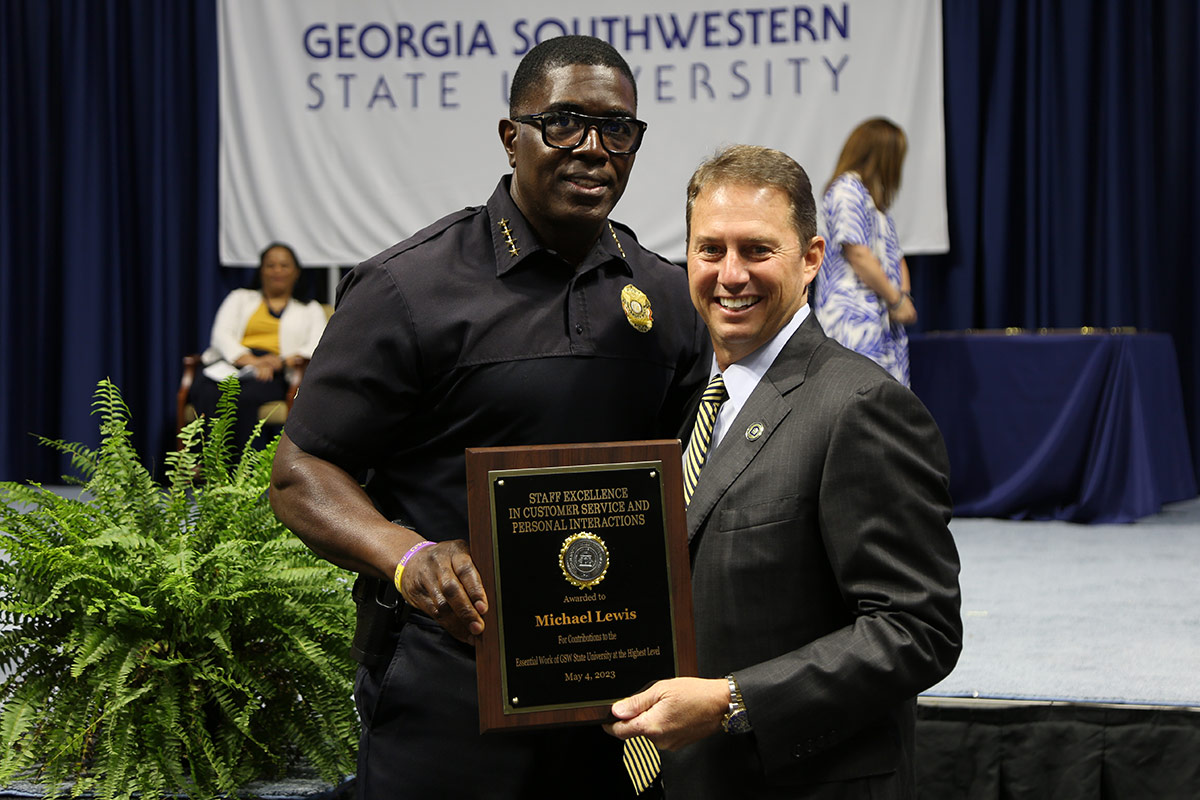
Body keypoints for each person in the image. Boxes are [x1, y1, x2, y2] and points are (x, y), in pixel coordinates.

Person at [269, 35, 709, 800]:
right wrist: (405, 554)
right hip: (446, 691)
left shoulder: (664, 297)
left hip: (608, 696)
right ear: (512, 137)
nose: (594, 148)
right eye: (566, 123)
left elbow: (667, 473)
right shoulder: (409, 289)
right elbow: (299, 472)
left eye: (619, 129)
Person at [604, 145, 962, 799]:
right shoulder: (688, 405)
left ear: (813, 258)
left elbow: (917, 631)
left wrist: (730, 701)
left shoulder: (861, 407)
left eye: (757, 250)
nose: (729, 274)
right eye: (709, 250)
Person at [190, 242, 327, 448]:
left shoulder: (310, 309)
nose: (277, 271)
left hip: (275, 373)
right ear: (261, 271)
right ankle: (208, 462)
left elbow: (317, 345)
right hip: (234, 364)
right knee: (208, 390)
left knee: (245, 398)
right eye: (270, 265)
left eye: (284, 265)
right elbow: (221, 335)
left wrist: (279, 363)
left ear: (296, 272)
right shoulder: (240, 298)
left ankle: (241, 468)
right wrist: (253, 361)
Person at [812, 117, 915, 385]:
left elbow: (896, 255)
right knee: (860, 396)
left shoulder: (873, 200)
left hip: (882, 316)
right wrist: (895, 299)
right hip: (854, 318)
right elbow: (857, 253)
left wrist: (902, 295)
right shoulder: (847, 190)